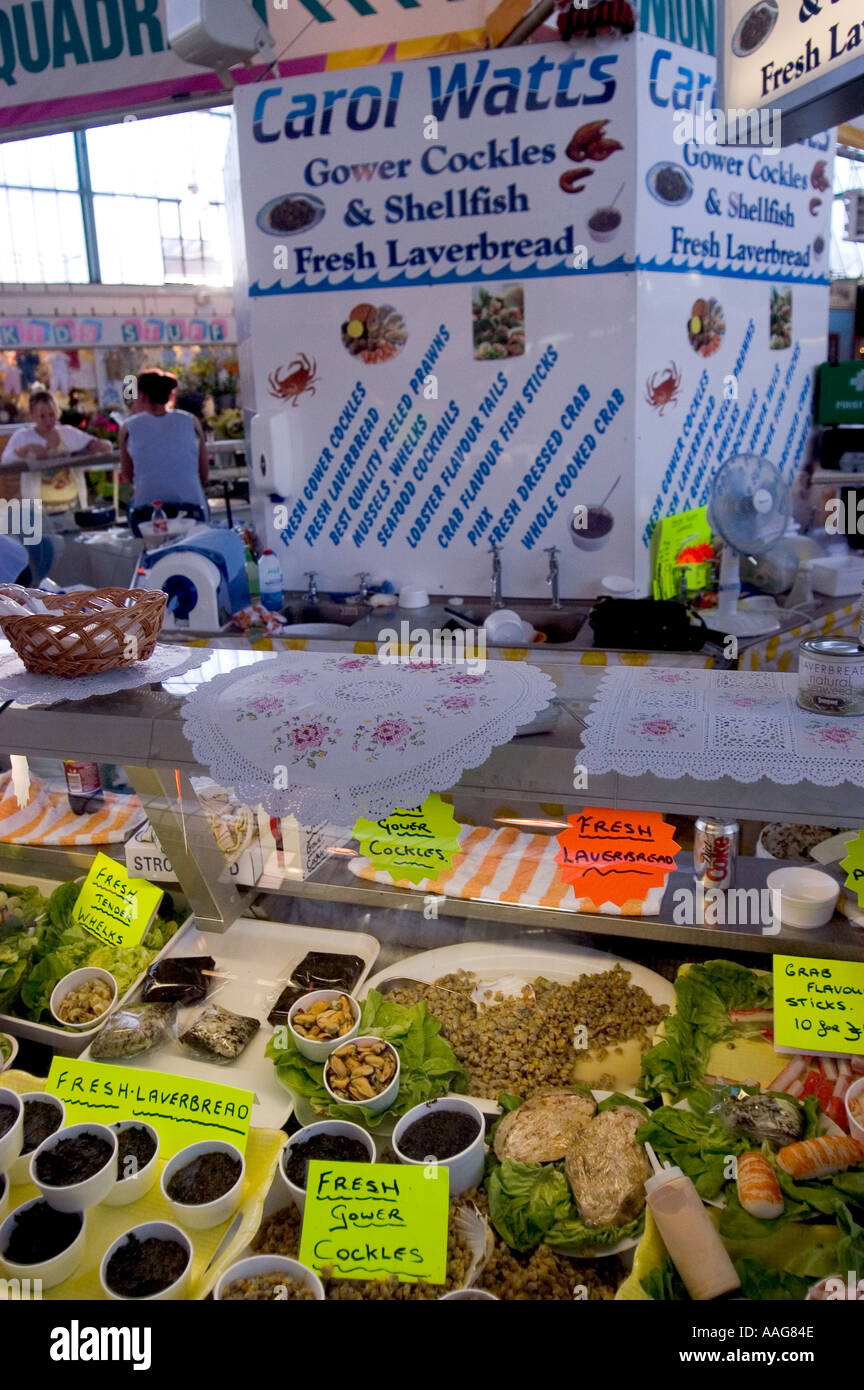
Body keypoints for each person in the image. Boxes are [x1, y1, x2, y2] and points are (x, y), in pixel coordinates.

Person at [3, 388, 111, 512]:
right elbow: (5, 462)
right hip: (39, 510)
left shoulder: (68, 432)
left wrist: (96, 446)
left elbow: (103, 446)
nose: (48, 420)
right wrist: (24, 450)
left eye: (51, 414)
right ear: (32, 415)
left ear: (57, 412)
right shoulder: (23, 436)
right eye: (42, 416)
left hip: (72, 507)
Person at [119, 369, 209, 513]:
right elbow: (203, 473)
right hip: (193, 507)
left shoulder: (129, 427)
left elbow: (128, 475)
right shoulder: (190, 421)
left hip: (148, 510)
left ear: (141, 396)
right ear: (170, 395)